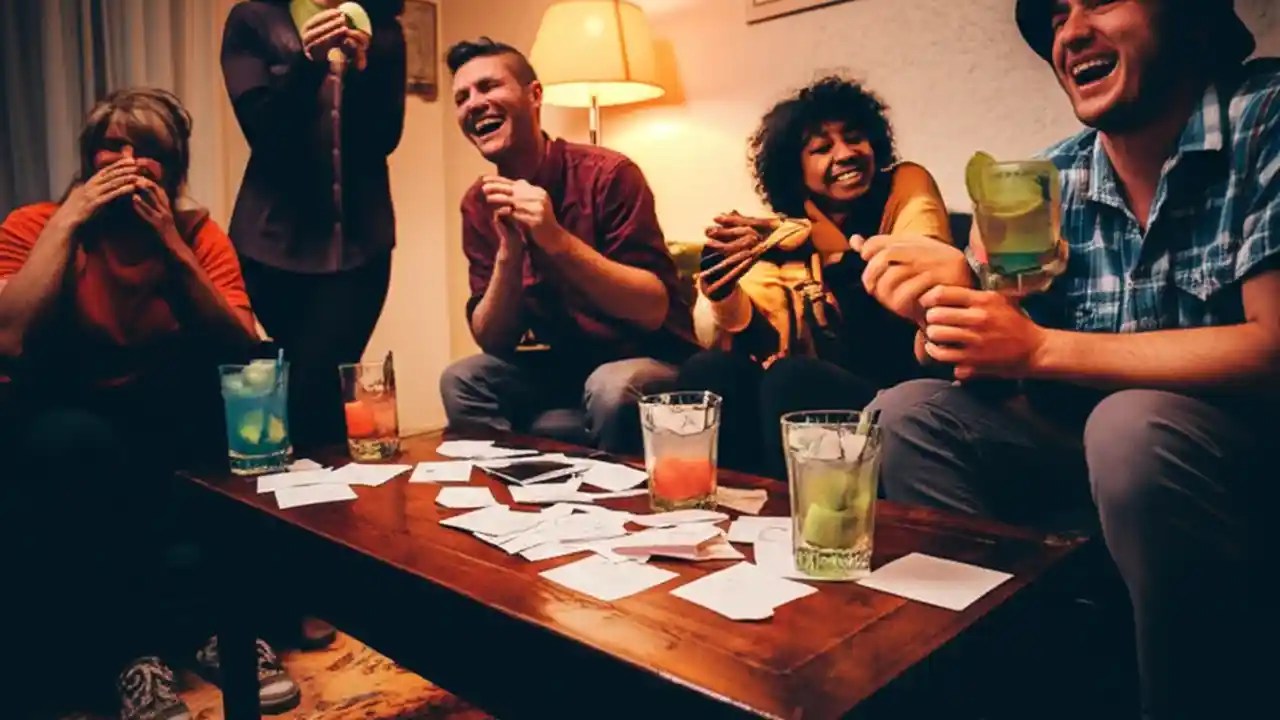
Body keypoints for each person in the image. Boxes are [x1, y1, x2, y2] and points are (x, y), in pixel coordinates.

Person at [864, 1, 1270, 717]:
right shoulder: (1050, 177)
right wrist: (952, 313)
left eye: (1102, 0)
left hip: (1239, 464)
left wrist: (1043, 348)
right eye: (1055, 16)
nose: (1071, 31)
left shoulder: (1265, 120)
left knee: (1132, 425)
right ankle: (1012, 685)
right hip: (1090, 457)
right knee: (904, 414)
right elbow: (1004, 365)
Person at [0, 88, 300, 720]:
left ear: (176, 167)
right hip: (64, 408)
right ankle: (132, 658)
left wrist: (170, 244)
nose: (127, 159)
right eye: (111, 146)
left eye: (150, 150)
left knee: (227, 426)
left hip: (165, 408)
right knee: (79, 444)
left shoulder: (196, 234)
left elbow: (245, 347)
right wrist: (69, 221)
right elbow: (10, 334)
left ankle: (222, 634)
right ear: (86, 158)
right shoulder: (32, 225)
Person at [677, 76, 953, 478]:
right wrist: (722, 291)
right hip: (804, 387)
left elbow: (910, 286)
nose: (845, 154)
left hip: (895, 384)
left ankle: (794, 523)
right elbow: (760, 337)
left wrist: (811, 241)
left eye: (855, 138)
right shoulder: (783, 233)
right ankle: (712, 518)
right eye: (822, 148)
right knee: (710, 371)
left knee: (792, 379)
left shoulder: (903, 189)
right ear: (795, 168)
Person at [438, 37, 697, 454]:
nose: (474, 104)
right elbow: (493, 340)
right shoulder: (478, 203)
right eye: (462, 97)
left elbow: (652, 309)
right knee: (462, 379)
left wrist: (555, 239)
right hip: (561, 364)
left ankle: (613, 511)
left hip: (648, 357)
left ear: (534, 95)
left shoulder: (609, 175)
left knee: (611, 386)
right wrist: (510, 252)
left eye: (489, 87)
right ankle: (505, 503)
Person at [220, 0, 406, 452]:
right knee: (301, 388)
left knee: (323, 384)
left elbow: (384, 138)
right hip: (271, 247)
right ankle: (298, 510)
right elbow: (266, 136)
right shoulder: (252, 20)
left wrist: (363, 69)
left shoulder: (383, 29)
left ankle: (320, 512)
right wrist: (309, 65)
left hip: (362, 248)